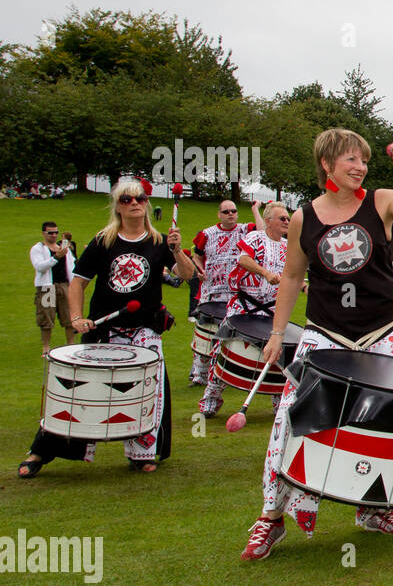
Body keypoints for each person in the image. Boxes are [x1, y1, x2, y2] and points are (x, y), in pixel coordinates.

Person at [240, 129, 393, 560]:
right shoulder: (303, 218)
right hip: (325, 334)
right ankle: (270, 518)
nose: (360, 167)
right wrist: (278, 334)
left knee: (387, 424)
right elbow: (294, 277)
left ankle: (374, 509)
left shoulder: (382, 200)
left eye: (364, 160)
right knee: (292, 422)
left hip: (384, 331)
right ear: (327, 165)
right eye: (350, 159)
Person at [18, 178, 195, 478]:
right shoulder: (104, 242)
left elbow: (189, 276)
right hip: (104, 328)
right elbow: (78, 282)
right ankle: (41, 450)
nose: (134, 203)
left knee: (148, 394)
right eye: (126, 200)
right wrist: (76, 319)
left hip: (145, 330)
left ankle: (142, 453)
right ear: (117, 206)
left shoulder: (160, 242)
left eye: (139, 198)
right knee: (82, 390)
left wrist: (177, 251)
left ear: (146, 203)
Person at [198, 201, 292, 418]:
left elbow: (293, 276)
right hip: (243, 305)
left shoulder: (288, 247)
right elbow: (243, 259)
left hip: (270, 310)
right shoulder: (255, 238)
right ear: (268, 221)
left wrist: (305, 286)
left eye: (288, 218)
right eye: (282, 218)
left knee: (278, 355)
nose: (287, 222)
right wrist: (265, 273)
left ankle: (280, 405)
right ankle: (211, 399)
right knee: (222, 351)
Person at [189, 199, 264, 384]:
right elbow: (196, 255)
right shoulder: (206, 234)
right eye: (226, 212)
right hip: (211, 292)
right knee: (206, 333)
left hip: (236, 293)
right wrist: (199, 269)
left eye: (233, 211)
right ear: (219, 215)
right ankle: (199, 374)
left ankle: (227, 373)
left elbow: (262, 234)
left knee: (232, 334)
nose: (230, 214)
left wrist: (256, 209)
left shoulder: (245, 230)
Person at [32, 220, 76, 357]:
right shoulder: (38, 248)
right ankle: (46, 348)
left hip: (64, 286)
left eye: (56, 232)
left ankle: (70, 347)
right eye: (50, 233)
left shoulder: (63, 248)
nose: (53, 235)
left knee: (69, 317)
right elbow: (40, 266)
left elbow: (73, 266)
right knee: (46, 317)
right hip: (47, 287)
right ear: (43, 233)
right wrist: (56, 257)